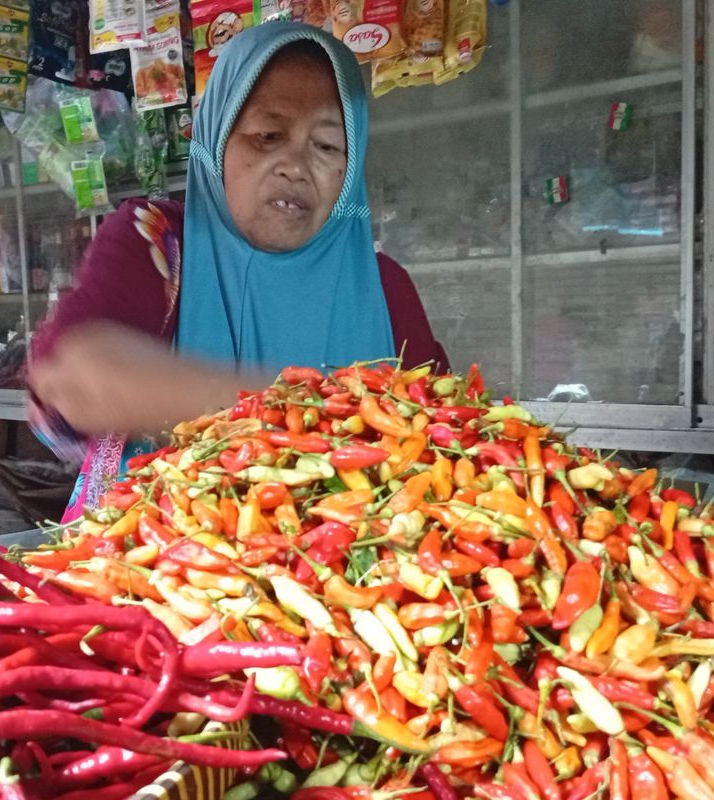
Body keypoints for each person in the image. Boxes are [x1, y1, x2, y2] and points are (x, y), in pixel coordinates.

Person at [28, 22, 448, 521]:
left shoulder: (384, 290)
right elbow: (73, 375)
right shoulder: (158, 241)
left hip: (346, 566)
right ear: (217, 137)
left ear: (351, 165)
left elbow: (445, 444)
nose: (296, 166)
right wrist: (300, 412)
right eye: (268, 136)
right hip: (156, 560)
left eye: (327, 146)